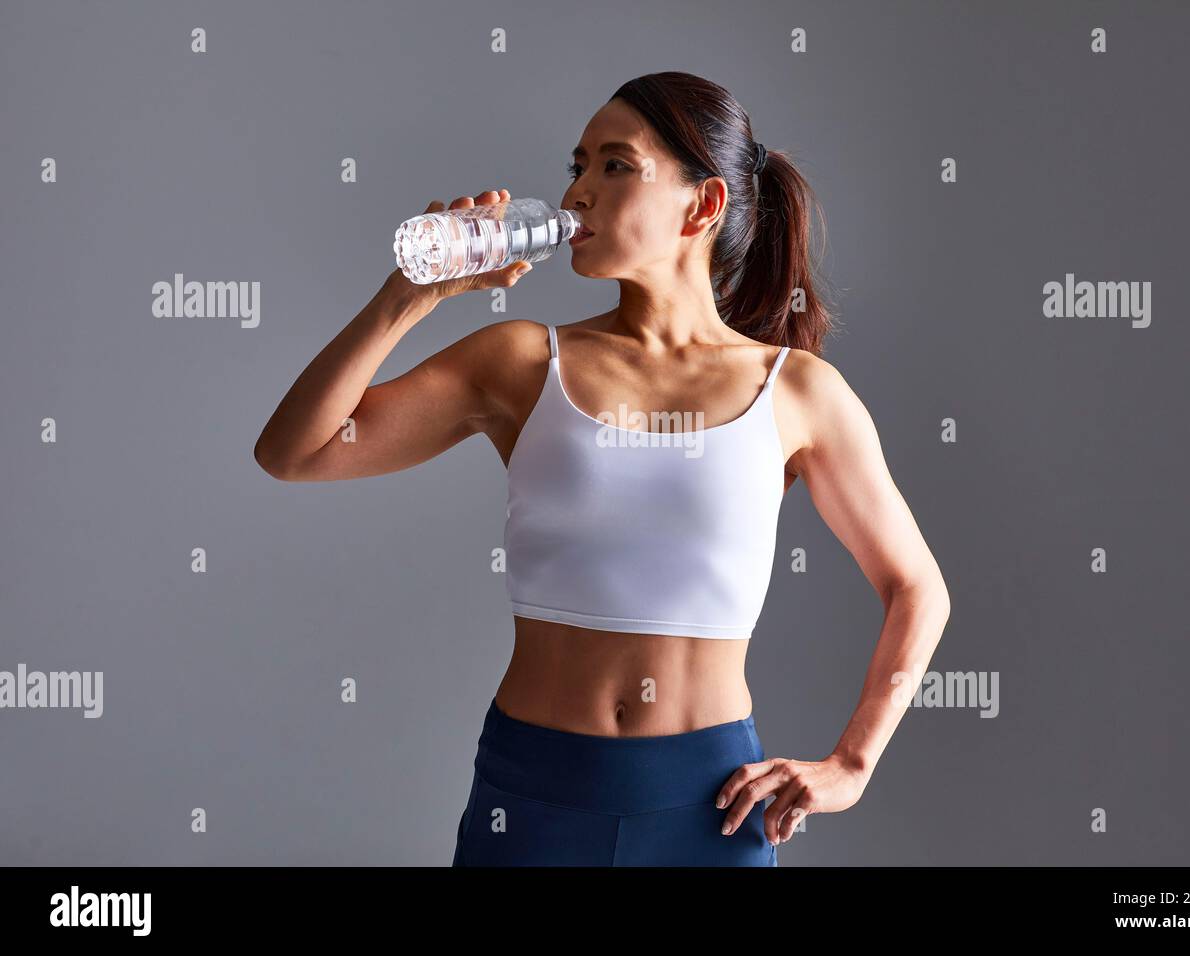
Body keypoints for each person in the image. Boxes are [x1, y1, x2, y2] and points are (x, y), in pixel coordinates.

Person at [253, 71, 951, 866]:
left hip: (707, 810)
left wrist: (851, 765)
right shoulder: (519, 360)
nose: (578, 192)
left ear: (703, 204)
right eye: (576, 165)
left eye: (614, 165)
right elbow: (294, 451)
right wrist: (406, 298)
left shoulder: (796, 392)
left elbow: (915, 586)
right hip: (533, 795)